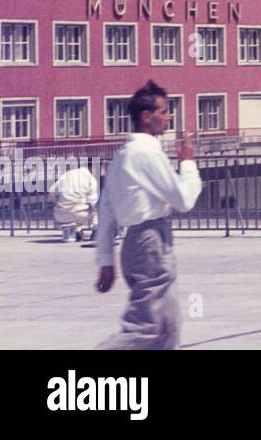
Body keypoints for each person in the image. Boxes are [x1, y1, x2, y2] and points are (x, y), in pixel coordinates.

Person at [94, 79, 202, 350]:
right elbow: (183, 199)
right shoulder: (146, 152)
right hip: (151, 242)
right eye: (164, 111)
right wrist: (187, 162)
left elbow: (106, 210)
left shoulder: (122, 155)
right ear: (146, 116)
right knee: (147, 327)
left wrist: (106, 260)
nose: (169, 117)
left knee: (167, 328)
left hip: (136, 243)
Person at [52, 164, 99, 242]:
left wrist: (58, 204)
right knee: (97, 209)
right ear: (93, 168)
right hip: (78, 214)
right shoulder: (91, 179)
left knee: (80, 208)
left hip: (60, 215)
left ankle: (77, 231)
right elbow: (94, 201)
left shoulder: (66, 175)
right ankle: (96, 232)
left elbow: (52, 192)